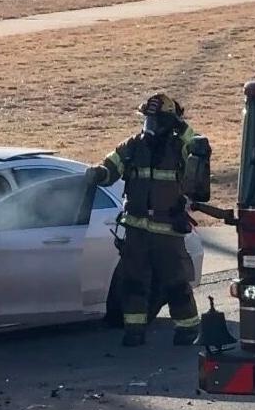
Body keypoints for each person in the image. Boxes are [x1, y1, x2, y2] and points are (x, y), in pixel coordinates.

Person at [85, 93, 212, 347]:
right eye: (147, 121)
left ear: (168, 122)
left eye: (155, 121)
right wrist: (99, 173)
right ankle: (134, 331)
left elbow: (200, 148)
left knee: (175, 283)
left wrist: (181, 127)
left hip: (167, 230)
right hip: (136, 230)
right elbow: (111, 167)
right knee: (133, 282)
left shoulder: (181, 147)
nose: (149, 127)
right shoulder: (133, 146)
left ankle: (187, 329)